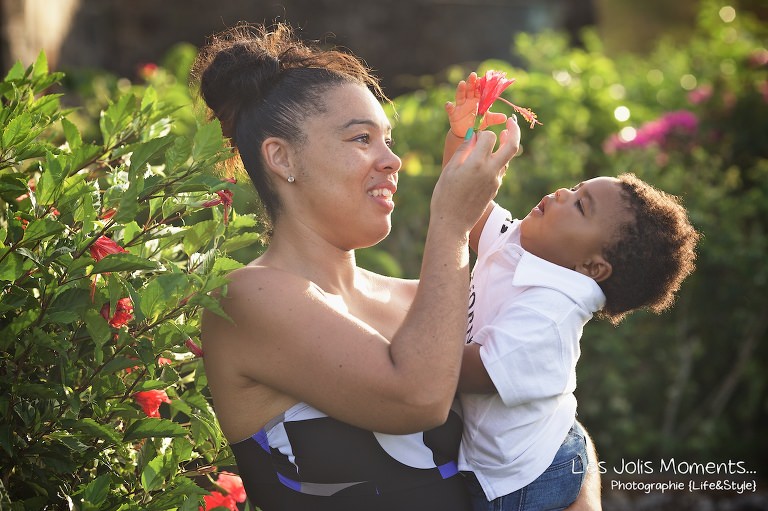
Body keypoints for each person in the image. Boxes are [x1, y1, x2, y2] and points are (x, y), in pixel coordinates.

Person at [442, 73, 700, 511]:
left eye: (580, 205)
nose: (563, 192)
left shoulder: (549, 312)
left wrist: (394, 336)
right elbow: (463, 200)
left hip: (528, 477)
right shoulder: (523, 243)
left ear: (592, 268)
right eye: (578, 187)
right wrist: (463, 134)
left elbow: (467, 370)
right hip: (540, 435)